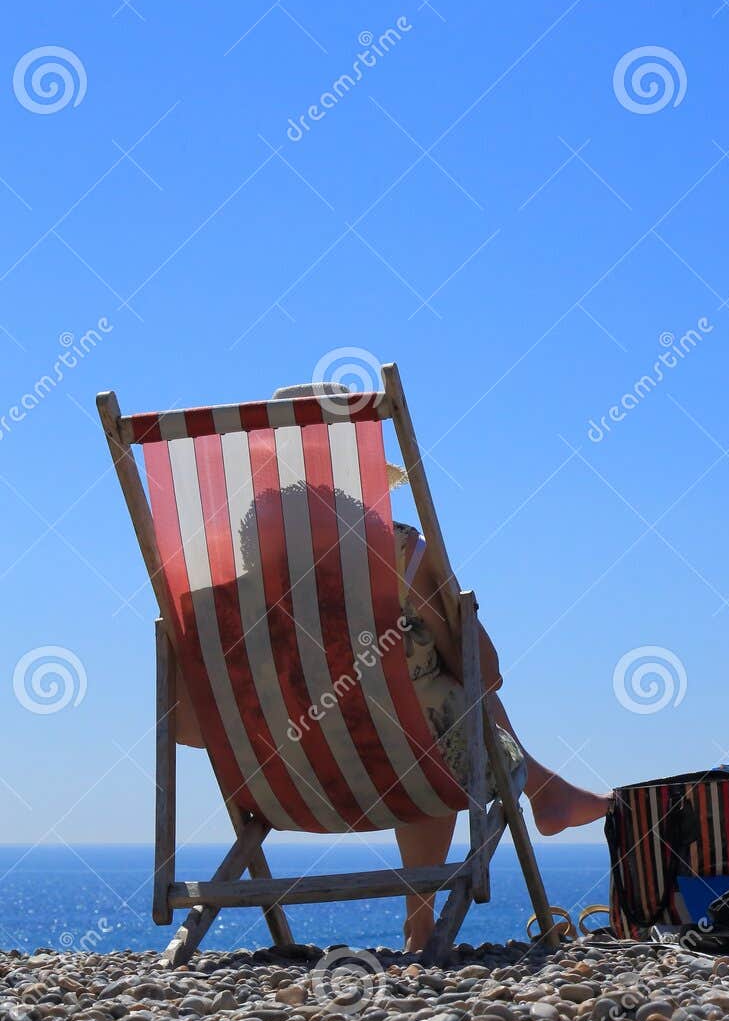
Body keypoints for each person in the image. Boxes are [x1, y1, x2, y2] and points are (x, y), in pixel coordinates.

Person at [173, 383, 609, 953]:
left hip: (281, 781)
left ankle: (546, 791)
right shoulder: (399, 553)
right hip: (404, 772)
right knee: (439, 702)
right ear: (356, 478)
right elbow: (488, 671)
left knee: (415, 709)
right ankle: (428, 912)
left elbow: (187, 723)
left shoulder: (219, 590)